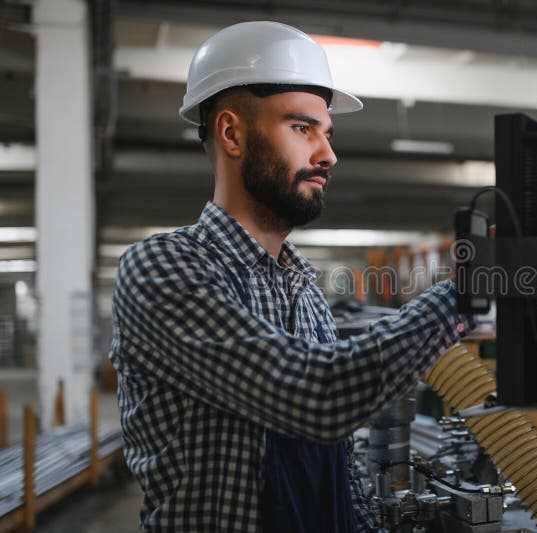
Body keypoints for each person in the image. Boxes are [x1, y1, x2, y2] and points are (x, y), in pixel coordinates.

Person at [110, 21, 474, 532]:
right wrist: (466, 294)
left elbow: (336, 472)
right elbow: (318, 395)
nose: (327, 155)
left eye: (326, 133)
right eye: (303, 128)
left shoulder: (304, 293)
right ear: (232, 133)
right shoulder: (162, 269)